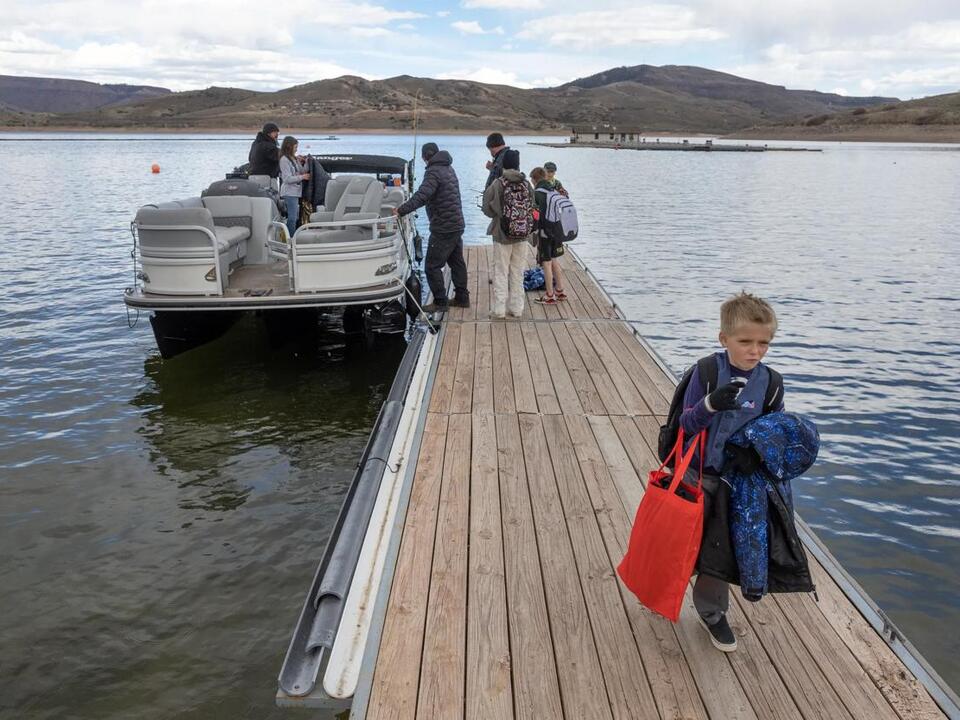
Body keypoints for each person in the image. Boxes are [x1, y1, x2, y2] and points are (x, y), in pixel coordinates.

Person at [678, 292, 785, 652]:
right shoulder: (708, 372)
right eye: (745, 342)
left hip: (735, 483)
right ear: (724, 339)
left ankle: (712, 613)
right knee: (680, 541)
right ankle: (664, 585)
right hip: (696, 475)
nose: (755, 351)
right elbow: (687, 423)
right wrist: (711, 404)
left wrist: (758, 456)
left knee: (718, 550)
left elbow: (773, 431)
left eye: (763, 343)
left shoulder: (770, 383)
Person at [394, 142, 469, 313]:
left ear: (425, 156)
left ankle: (441, 302)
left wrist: (401, 210)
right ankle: (462, 298)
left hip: (444, 227)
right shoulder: (449, 168)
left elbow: (422, 196)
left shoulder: (433, 172)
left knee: (432, 266)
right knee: (457, 262)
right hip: (457, 224)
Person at [482, 151, 534, 319]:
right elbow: (532, 206)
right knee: (517, 272)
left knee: (501, 271)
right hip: (522, 235)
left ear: (504, 164)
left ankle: (499, 309)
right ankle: (517, 308)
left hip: (502, 234)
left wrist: (498, 215)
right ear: (518, 164)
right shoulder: (527, 184)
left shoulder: (498, 184)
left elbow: (486, 209)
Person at [530, 167, 567, 305]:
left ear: (534, 179)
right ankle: (560, 290)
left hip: (545, 232)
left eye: (532, 180)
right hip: (557, 229)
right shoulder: (553, 190)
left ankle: (550, 295)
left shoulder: (538, 193)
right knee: (554, 260)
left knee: (546, 263)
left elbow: (535, 213)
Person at [278, 136, 310, 238]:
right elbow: (287, 179)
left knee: (294, 217)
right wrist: (302, 177)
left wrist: (306, 161)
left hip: (295, 192)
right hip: (289, 193)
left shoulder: (294, 159)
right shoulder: (284, 160)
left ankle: (288, 237)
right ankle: (289, 240)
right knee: (292, 218)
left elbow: (302, 171)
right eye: (295, 147)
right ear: (289, 146)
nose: (296, 149)